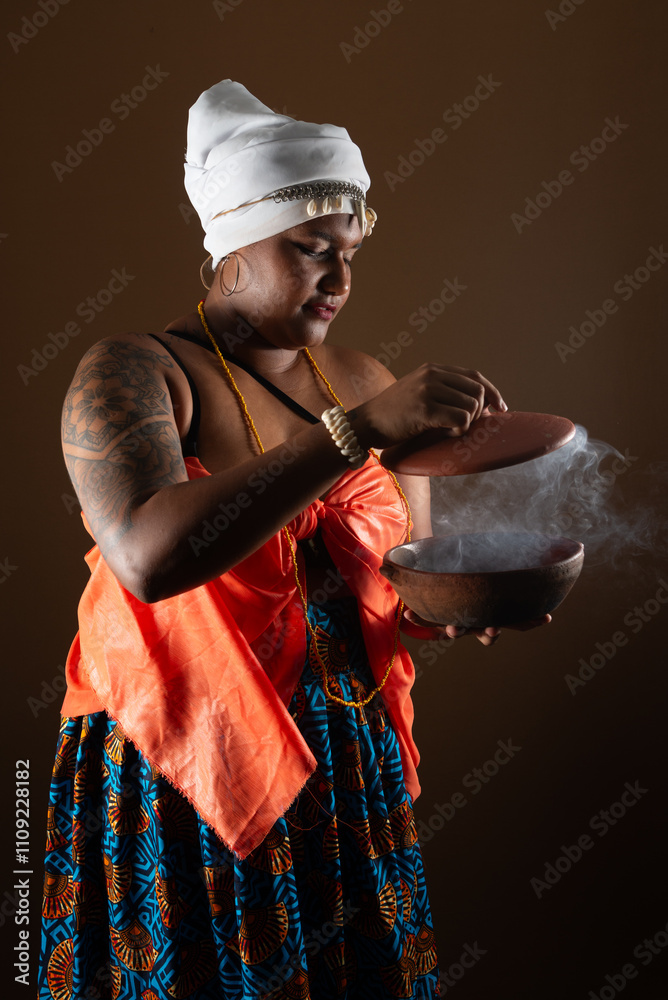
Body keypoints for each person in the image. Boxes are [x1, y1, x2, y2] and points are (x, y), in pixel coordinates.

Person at [38, 80, 548, 1000]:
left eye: (350, 253)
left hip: (345, 756)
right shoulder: (135, 372)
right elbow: (147, 559)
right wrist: (360, 432)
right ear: (234, 239)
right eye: (312, 250)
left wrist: (457, 603)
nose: (340, 279)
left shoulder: (362, 376)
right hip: (186, 759)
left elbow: (401, 575)